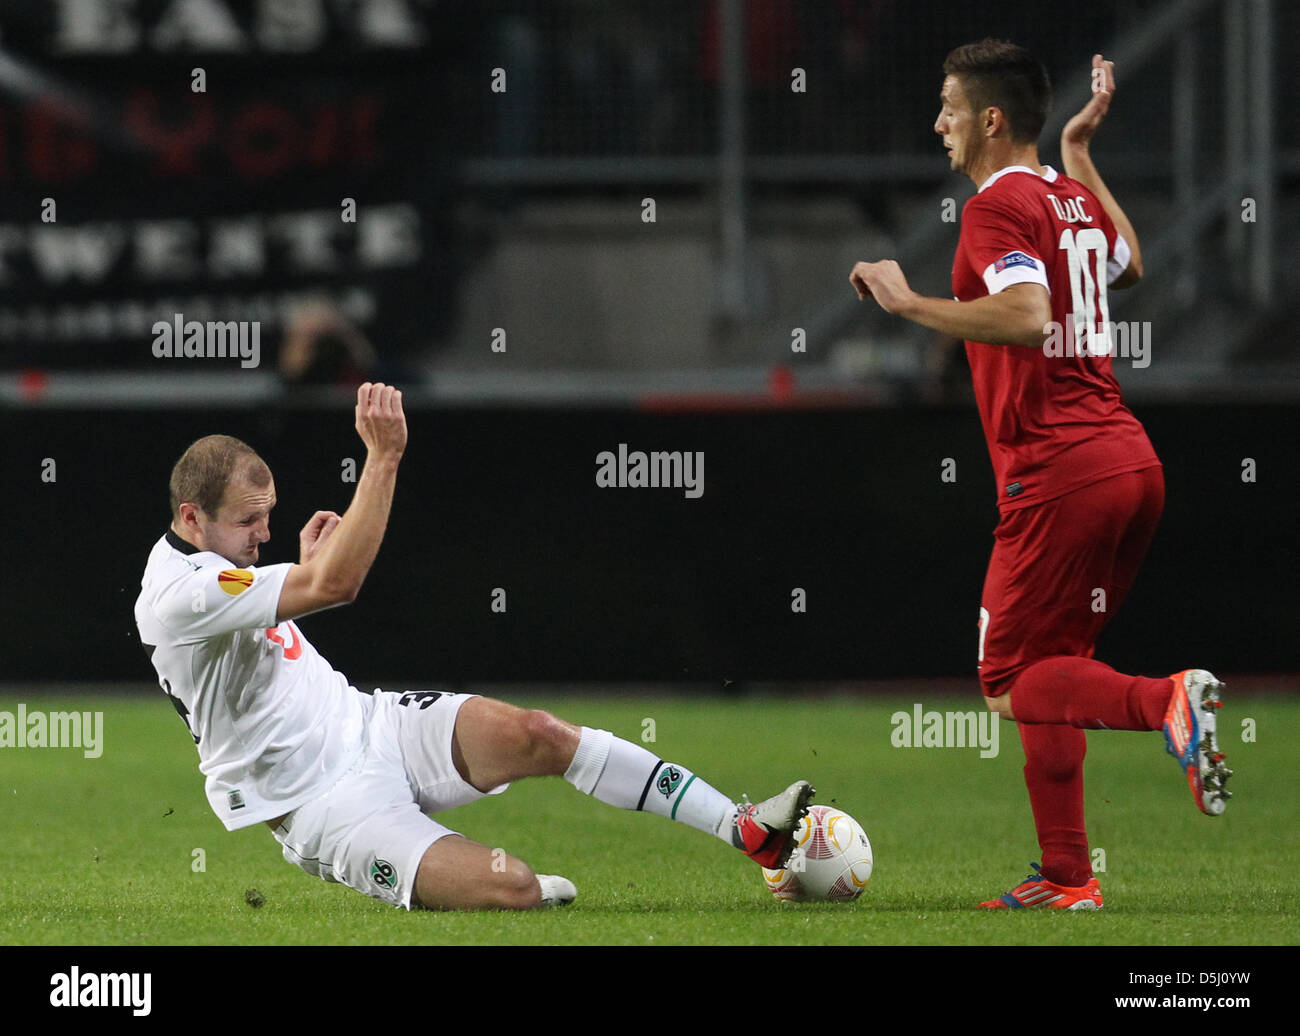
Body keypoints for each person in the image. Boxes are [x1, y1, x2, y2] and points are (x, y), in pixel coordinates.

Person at [135, 383, 814, 911]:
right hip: (322, 803)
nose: (263, 532)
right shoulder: (180, 593)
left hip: (374, 723)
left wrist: (302, 578)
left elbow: (280, 617)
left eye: (269, 515)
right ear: (192, 518)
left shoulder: (212, 571)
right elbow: (337, 584)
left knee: (540, 733)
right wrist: (383, 457)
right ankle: (469, 880)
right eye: (249, 520)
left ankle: (748, 829)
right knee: (515, 889)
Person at [848, 42, 1231, 910]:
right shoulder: (1064, 197)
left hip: (1058, 473)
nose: (937, 122)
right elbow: (1130, 264)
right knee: (1056, 670)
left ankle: (1166, 702)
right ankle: (1068, 878)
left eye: (948, 106)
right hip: (1129, 461)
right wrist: (1083, 158)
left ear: (988, 119)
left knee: (1009, 684)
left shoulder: (995, 209)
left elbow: (1028, 316)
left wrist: (910, 305)